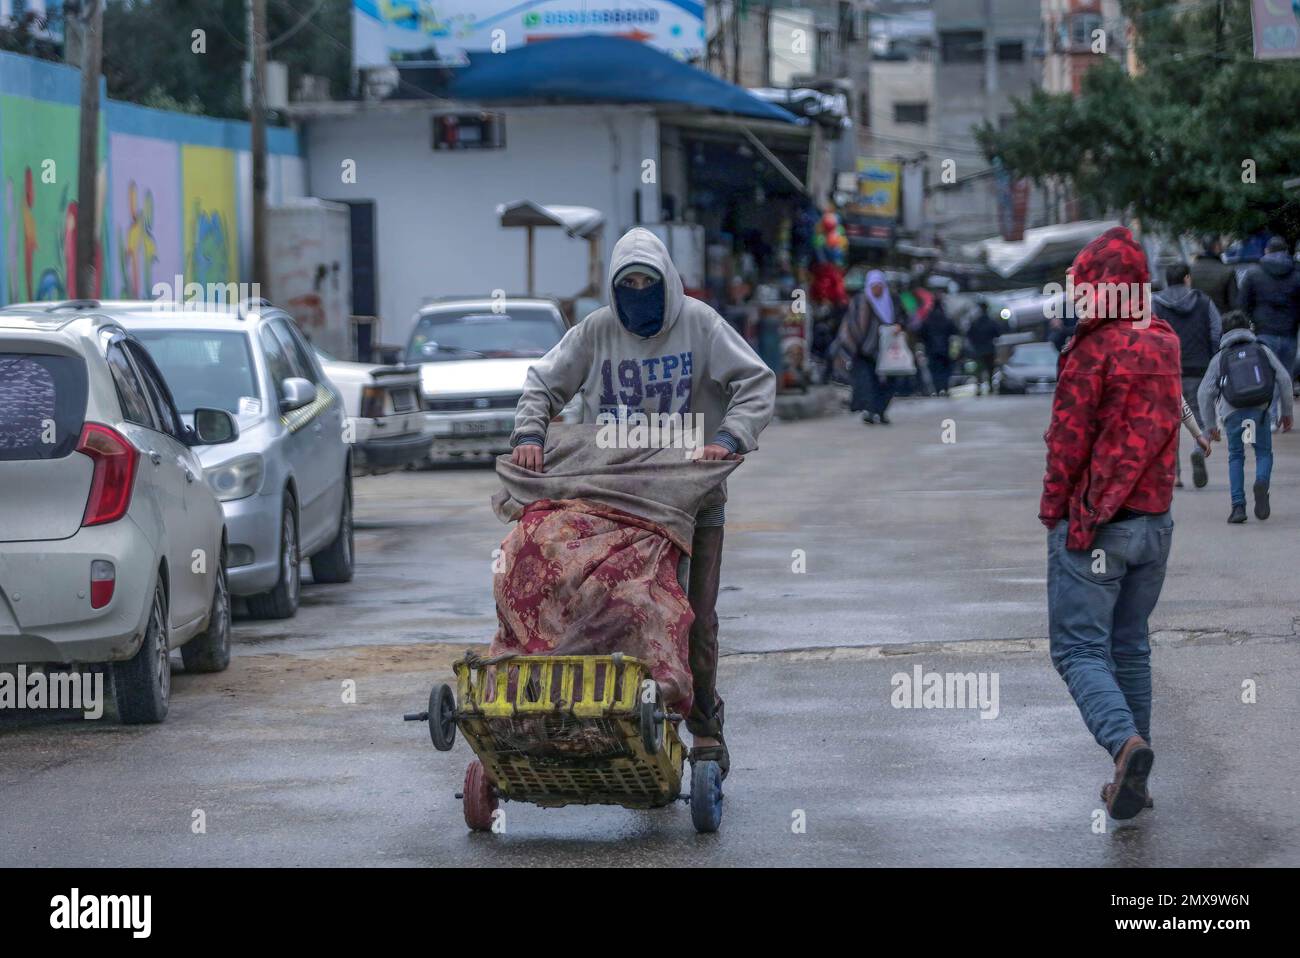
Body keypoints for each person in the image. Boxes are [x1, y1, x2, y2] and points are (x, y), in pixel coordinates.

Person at [510, 227, 776, 777]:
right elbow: (542, 382)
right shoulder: (597, 331)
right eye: (626, 284)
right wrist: (529, 436)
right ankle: (594, 717)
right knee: (599, 600)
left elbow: (756, 380)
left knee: (693, 618)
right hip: (613, 493)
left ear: (667, 284)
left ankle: (703, 729)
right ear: (614, 288)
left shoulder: (700, 325)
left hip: (689, 497)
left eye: (646, 283)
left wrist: (729, 439)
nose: (637, 293)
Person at [1040, 226, 1182, 821]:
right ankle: (1134, 778)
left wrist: (1055, 512)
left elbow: (1068, 447)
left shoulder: (1090, 351)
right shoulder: (1166, 339)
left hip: (1098, 524)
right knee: (1130, 647)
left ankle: (1126, 747)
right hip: (1154, 522)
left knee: (1077, 650)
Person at [1196, 310, 1294, 524]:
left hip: (1233, 413)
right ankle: (1261, 482)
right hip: (1258, 412)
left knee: (1237, 456)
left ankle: (1238, 506)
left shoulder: (1220, 357)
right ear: (1248, 328)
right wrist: (1286, 413)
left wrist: (1210, 425)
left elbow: (1205, 393)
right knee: (1263, 453)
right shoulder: (1262, 350)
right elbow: (1285, 380)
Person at [1153, 262, 1222, 488]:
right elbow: (1216, 331)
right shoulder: (1204, 302)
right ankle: (1198, 452)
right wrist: (1213, 360)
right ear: (1187, 279)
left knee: (1170, 423)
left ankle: (1175, 475)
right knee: (1200, 416)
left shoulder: (1155, 304)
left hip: (1167, 371)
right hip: (1199, 369)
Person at [1237, 236, 1300, 427]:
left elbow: (1243, 303)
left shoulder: (1254, 274)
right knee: (1285, 377)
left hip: (1264, 332)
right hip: (1289, 332)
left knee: (1266, 376)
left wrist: (1252, 322)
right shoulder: (1296, 275)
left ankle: (1271, 418)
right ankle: (1286, 416)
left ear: (1267, 251)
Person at [832, 268, 907, 424]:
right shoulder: (860, 301)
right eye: (873, 286)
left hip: (888, 350)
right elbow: (851, 323)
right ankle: (870, 411)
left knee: (890, 382)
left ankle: (881, 410)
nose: (877, 289)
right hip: (863, 351)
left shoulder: (892, 299)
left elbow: (903, 317)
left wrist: (899, 325)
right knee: (867, 383)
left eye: (879, 285)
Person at [919, 290, 958, 395]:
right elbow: (955, 331)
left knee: (934, 371)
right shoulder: (947, 318)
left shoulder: (928, 319)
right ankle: (944, 388)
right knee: (945, 370)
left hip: (931, 349)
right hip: (945, 349)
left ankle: (937, 388)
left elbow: (921, 333)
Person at [1189, 235, 1236, 313]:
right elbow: (1234, 303)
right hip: (1222, 319)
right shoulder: (1227, 271)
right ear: (1217, 246)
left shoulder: (1191, 270)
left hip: (1197, 319)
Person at [966, 300, 1003, 396]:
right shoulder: (991, 321)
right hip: (990, 349)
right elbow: (998, 334)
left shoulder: (975, 322)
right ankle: (990, 386)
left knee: (979, 370)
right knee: (990, 370)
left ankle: (978, 387)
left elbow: (969, 335)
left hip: (978, 350)